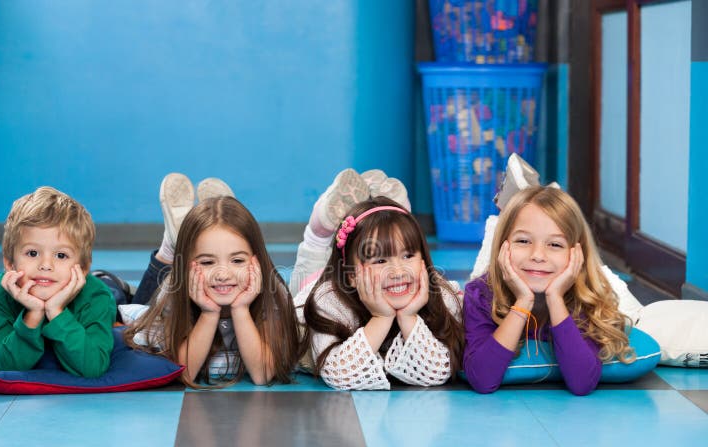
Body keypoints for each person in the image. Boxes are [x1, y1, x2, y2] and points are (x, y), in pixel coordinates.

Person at [122, 173, 301, 387]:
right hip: (162, 295)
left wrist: (241, 309)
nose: (223, 274)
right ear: (188, 265)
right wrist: (209, 313)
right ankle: (171, 246)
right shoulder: (175, 289)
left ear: (257, 260)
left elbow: (262, 375)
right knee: (126, 298)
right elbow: (184, 374)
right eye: (207, 262)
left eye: (237, 260)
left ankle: (315, 238)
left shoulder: (272, 293)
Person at [294, 169, 465, 390]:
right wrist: (381, 317)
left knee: (384, 235)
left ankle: (384, 218)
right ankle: (319, 233)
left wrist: (409, 316)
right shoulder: (328, 302)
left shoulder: (442, 296)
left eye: (407, 255)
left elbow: (437, 371)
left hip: (356, 274)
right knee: (307, 280)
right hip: (318, 295)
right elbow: (340, 375)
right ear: (352, 276)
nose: (398, 271)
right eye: (380, 261)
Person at [463, 185, 635, 395]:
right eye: (523, 241)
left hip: (583, 279)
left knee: (627, 304)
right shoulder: (480, 294)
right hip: (503, 276)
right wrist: (523, 302)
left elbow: (582, 383)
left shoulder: (585, 299)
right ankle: (509, 210)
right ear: (503, 246)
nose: (537, 255)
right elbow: (482, 379)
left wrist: (555, 298)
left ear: (575, 253)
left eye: (555, 244)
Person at [0, 186, 115, 378]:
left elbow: (92, 368)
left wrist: (56, 312)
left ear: (83, 268)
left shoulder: (96, 297)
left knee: (128, 306)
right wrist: (33, 314)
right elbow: (6, 366)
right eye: (32, 253)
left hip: (107, 290)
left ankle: (164, 254)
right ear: (9, 263)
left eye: (61, 255)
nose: (45, 265)